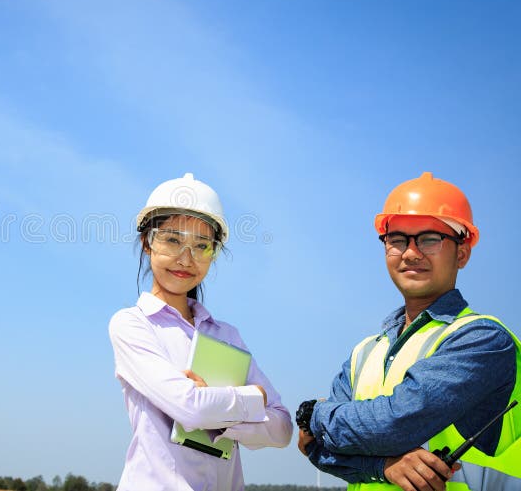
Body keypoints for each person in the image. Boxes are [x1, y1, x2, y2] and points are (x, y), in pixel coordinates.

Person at [296, 172, 521, 491]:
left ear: (462, 253)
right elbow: (316, 449)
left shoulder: (483, 340)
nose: (411, 252)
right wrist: (382, 467)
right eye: (397, 240)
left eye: (429, 239)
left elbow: (395, 423)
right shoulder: (365, 353)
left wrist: (314, 414)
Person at [108, 173, 292, 491]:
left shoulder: (227, 335)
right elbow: (189, 408)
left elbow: (283, 429)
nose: (186, 258)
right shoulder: (132, 324)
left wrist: (216, 412)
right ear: (146, 243)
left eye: (201, 246)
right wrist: (251, 399)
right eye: (172, 240)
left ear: (214, 253)